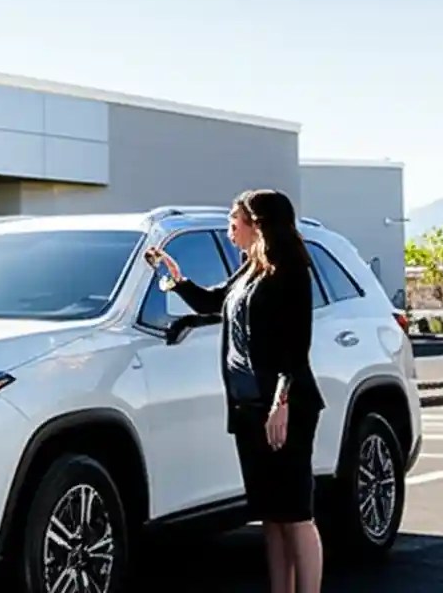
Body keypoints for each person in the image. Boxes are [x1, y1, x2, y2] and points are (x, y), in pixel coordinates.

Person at [146, 189, 325, 593]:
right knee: (272, 516)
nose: (229, 229)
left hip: (283, 407)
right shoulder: (249, 271)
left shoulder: (290, 269)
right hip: (247, 409)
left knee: (296, 512)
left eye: (233, 221)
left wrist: (281, 401)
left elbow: (298, 344)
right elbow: (213, 302)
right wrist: (176, 280)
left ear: (256, 224)